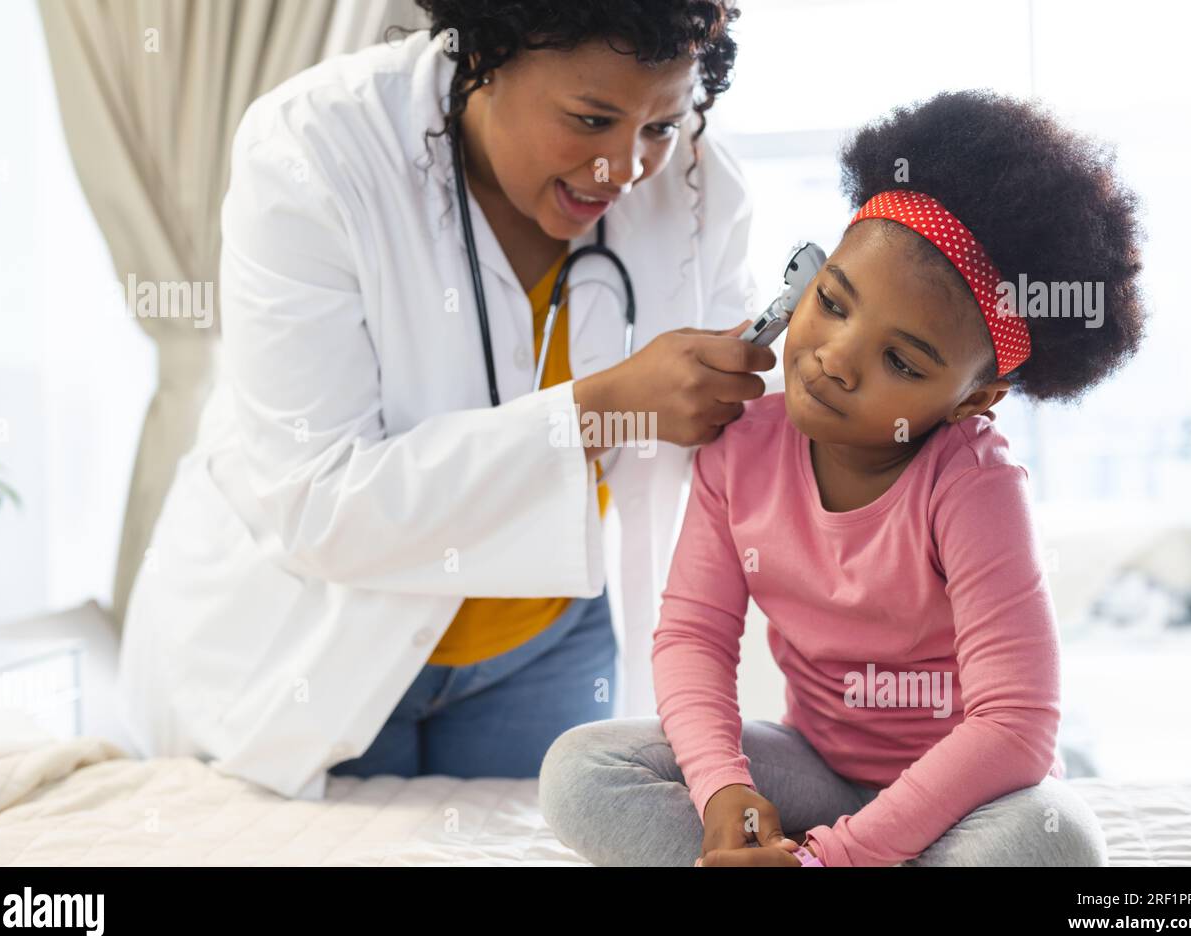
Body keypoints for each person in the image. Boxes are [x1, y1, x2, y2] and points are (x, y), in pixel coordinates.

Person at [117, 1, 775, 799]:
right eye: (591, 118)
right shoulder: (312, 149)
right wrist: (602, 409)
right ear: (487, 56)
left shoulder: (702, 190)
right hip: (320, 644)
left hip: (545, 644)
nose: (625, 169)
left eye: (661, 127)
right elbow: (316, 499)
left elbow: (739, 444)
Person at [539, 89, 1147, 866]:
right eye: (831, 302)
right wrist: (726, 794)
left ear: (975, 398)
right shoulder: (741, 446)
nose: (833, 356)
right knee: (582, 771)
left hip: (967, 803)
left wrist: (832, 856)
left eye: (901, 360)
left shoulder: (973, 484)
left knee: (1055, 843)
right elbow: (693, 634)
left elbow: (1017, 724)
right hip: (817, 771)